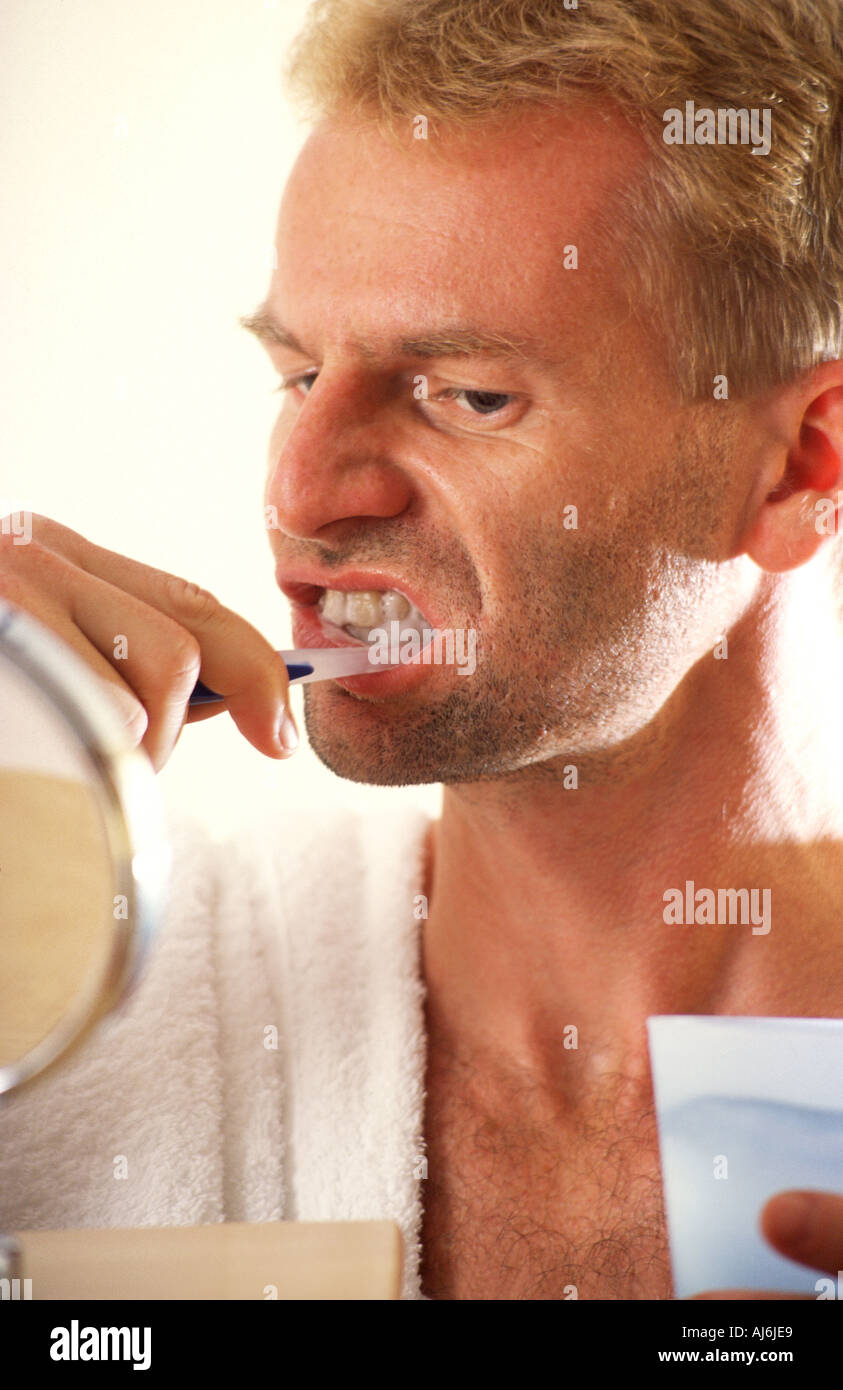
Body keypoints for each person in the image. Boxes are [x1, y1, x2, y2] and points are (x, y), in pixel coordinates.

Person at [2, 0, 843, 1300]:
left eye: (467, 394)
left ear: (800, 464)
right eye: (296, 373)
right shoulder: (73, 1021)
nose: (304, 488)